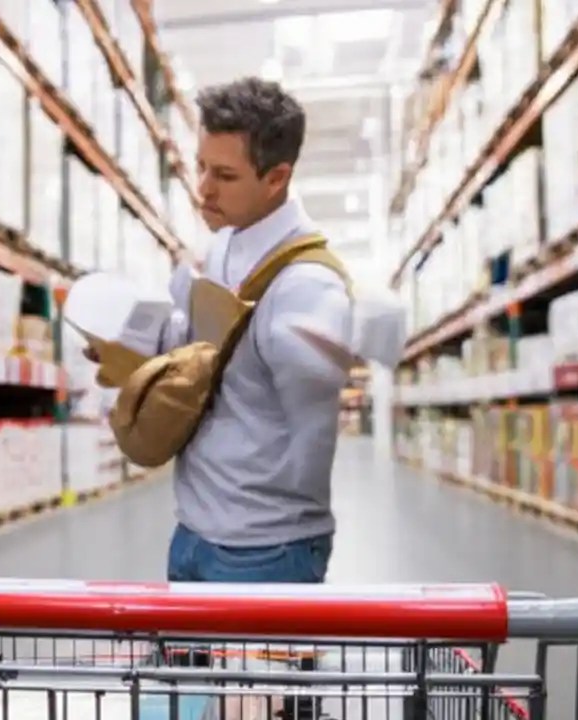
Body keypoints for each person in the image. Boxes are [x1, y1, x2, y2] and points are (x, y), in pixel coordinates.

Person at [88, 77, 369, 585]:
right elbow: (209, 354)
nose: (203, 188)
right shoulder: (225, 245)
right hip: (193, 531)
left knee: (250, 669)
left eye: (224, 174)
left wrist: (263, 512)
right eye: (200, 166)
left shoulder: (310, 289)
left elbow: (310, 445)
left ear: (276, 177)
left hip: (264, 551)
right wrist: (140, 348)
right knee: (184, 667)